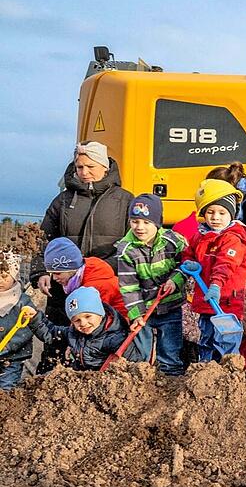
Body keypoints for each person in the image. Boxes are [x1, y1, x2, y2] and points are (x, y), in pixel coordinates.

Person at [31, 142, 132, 350]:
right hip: (64, 285)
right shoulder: (63, 200)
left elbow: (131, 243)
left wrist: (106, 268)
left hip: (105, 282)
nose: (84, 172)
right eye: (79, 167)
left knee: (102, 339)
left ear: (105, 167)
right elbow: (44, 237)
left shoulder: (125, 200)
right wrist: (40, 271)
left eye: (90, 167)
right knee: (59, 339)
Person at [115, 194, 189, 373]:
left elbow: (186, 265)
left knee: (170, 350)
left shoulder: (173, 241)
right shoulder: (126, 249)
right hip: (143, 310)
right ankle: (141, 383)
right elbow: (128, 286)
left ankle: (171, 379)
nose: (139, 227)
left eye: (146, 223)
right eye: (134, 221)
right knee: (141, 354)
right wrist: (136, 314)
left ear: (157, 222)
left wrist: (175, 280)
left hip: (171, 306)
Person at [183, 179, 246, 362]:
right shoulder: (200, 236)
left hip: (226, 302)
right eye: (210, 212)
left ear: (231, 214)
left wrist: (216, 285)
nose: (215, 217)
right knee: (206, 338)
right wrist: (189, 262)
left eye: (222, 213)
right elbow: (189, 253)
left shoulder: (233, 239)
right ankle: (206, 371)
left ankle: (228, 374)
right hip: (206, 301)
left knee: (226, 341)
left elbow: (226, 264)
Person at [27, 286, 127, 371]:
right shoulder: (73, 333)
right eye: (76, 320)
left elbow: (130, 362)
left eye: (88, 316)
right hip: (81, 379)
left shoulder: (114, 338)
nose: (83, 323)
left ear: (100, 313)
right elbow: (51, 334)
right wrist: (35, 318)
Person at [42, 237, 127, 317]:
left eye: (58, 273)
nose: (54, 278)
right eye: (52, 273)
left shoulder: (95, 288)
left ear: (72, 268)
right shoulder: (89, 274)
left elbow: (93, 322)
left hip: (124, 326)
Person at [0, 252, 36, 389]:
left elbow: (26, 331)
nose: (0, 281)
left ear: (14, 276)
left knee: (6, 388)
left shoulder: (22, 302)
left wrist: (7, 347)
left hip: (12, 358)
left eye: (4, 276)